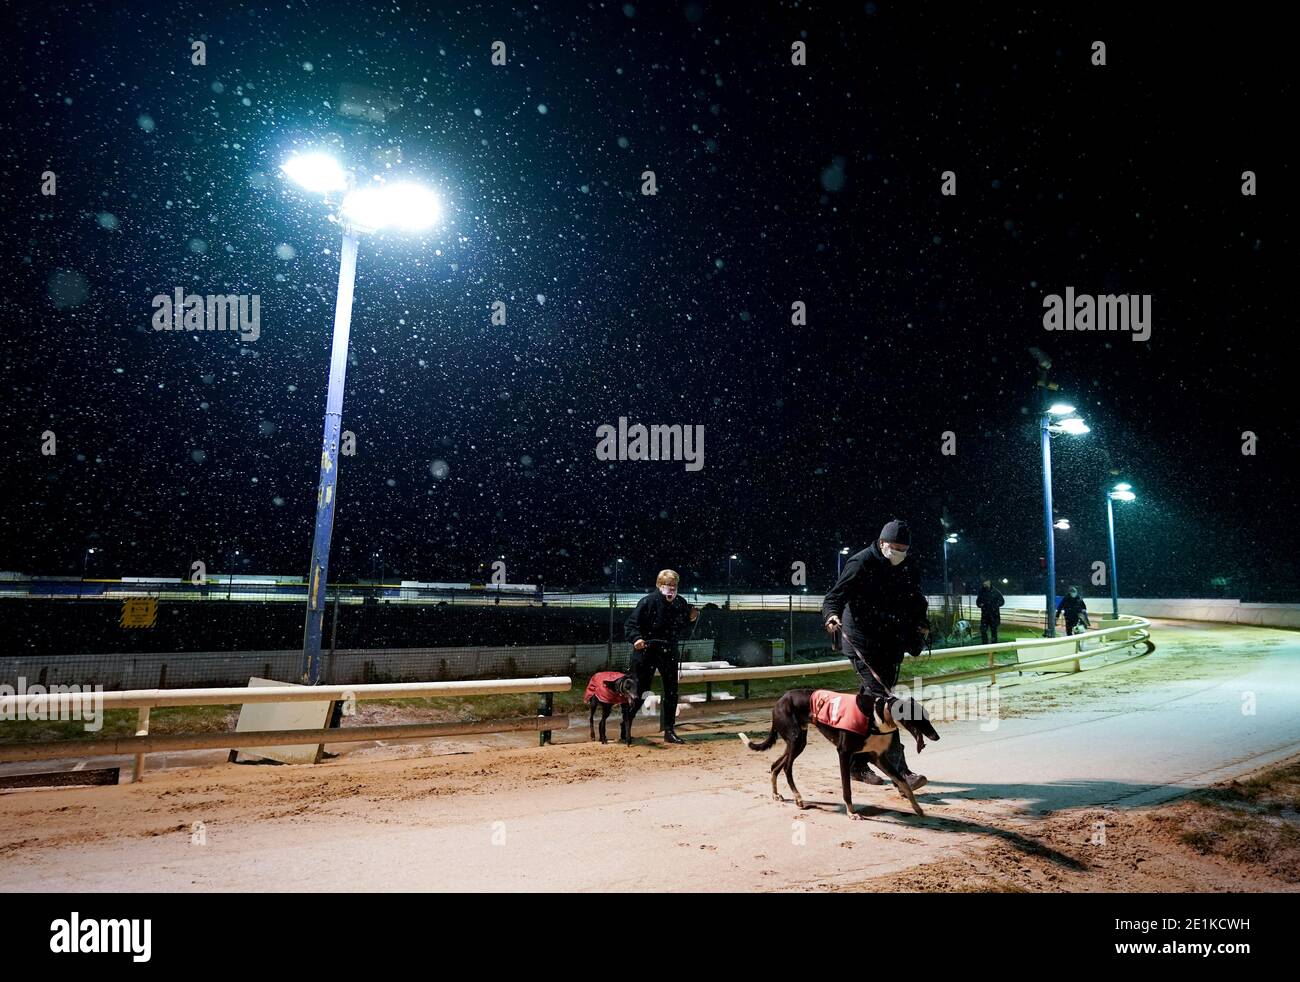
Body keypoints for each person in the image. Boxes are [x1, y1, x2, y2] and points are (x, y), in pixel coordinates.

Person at [821, 520, 930, 790]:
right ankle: (901, 773)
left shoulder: (907, 566)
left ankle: (856, 764)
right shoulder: (860, 563)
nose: (899, 554)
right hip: (862, 642)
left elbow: (917, 600)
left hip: (891, 642)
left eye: (904, 549)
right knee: (886, 704)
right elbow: (833, 597)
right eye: (895, 548)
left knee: (868, 707)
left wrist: (921, 623)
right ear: (882, 544)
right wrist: (831, 616)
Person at [623, 569, 698, 744]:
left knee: (671, 691)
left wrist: (691, 619)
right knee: (640, 691)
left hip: (669, 652)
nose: (671, 589)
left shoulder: (680, 603)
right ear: (659, 585)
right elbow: (630, 625)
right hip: (646, 652)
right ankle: (626, 725)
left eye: (674, 585)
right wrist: (636, 639)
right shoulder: (647, 602)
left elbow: (681, 627)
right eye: (667, 585)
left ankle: (669, 730)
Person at [976, 579, 1005, 644]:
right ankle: (985, 645)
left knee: (994, 631)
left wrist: (994, 605)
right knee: (983, 630)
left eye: (985, 583)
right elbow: (978, 602)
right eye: (983, 583)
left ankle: (993, 646)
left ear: (989, 582)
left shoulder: (996, 592)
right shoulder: (981, 592)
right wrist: (980, 604)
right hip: (985, 616)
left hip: (994, 616)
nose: (984, 584)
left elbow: (1002, 602)